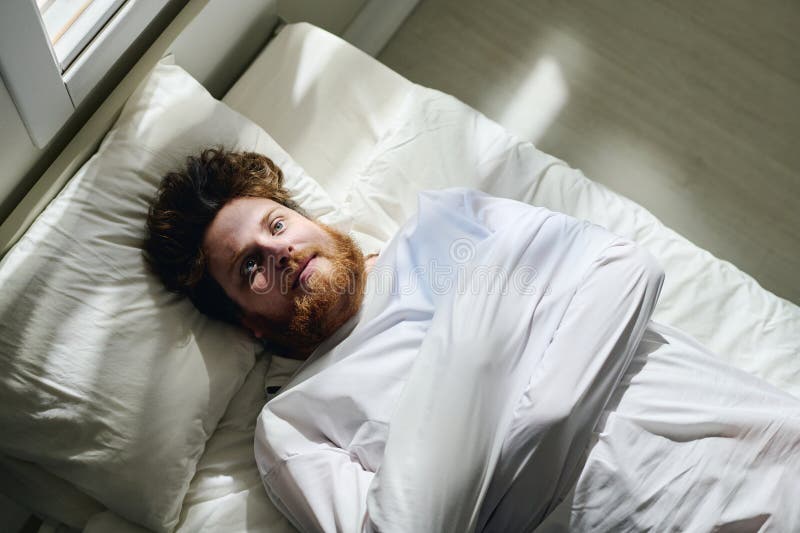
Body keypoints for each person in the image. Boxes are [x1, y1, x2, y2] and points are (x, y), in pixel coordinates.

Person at [146, 149, 800, 533]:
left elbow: (626, 271)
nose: (280, 251)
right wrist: (505, 351)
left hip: (737, 441)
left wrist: (508, 432)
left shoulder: (434, 238)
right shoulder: (291, 423)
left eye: (277, 223)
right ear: (249, 321)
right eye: (250, 266)